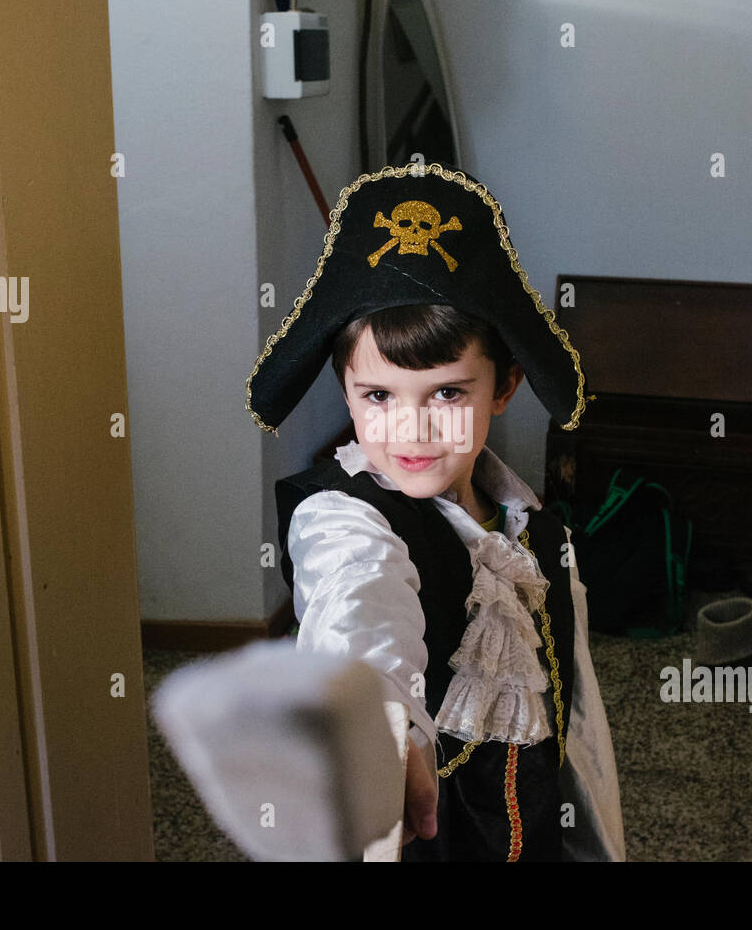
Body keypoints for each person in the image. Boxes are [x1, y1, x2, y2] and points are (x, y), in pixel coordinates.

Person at [245, 162, 624, 861]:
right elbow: (358, 608)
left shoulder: (539, 535)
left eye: (447, 394)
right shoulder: (343, 518)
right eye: (378, 396)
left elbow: (579, 729)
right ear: (345, 387)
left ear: (504, 386)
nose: (410, 432)